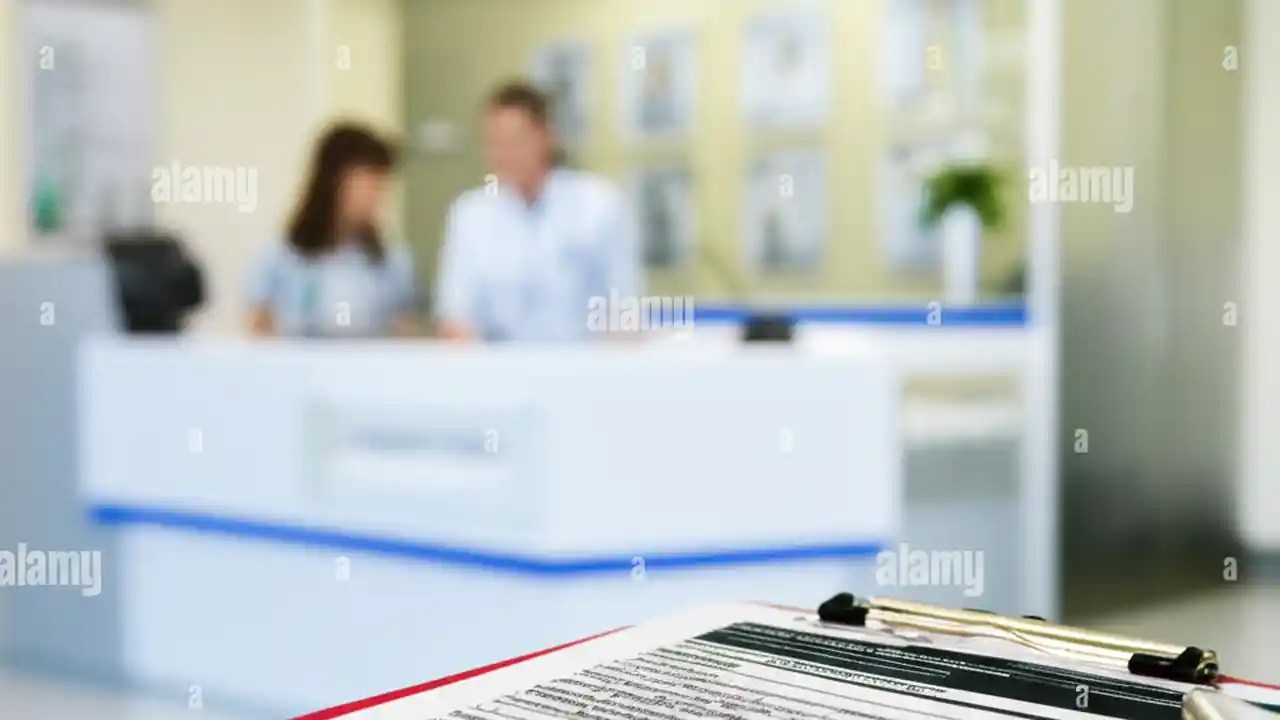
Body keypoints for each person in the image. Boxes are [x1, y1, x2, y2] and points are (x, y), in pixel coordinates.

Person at [435, 81, 642, 342]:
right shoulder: (470, 214)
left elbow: (622, 306)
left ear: (548, 136)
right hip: (498, 375)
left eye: (515, 140)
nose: (504, 154)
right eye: (495, 142)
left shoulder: (599, 204)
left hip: (584, 371)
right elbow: (456, 315)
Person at [247, 123, 419, 338]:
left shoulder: (390, 261)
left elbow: (405, 332)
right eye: (369, 182)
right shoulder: (280, 256)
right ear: (333, 181)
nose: (376, 196)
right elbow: (258, 327)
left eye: (381, 185)